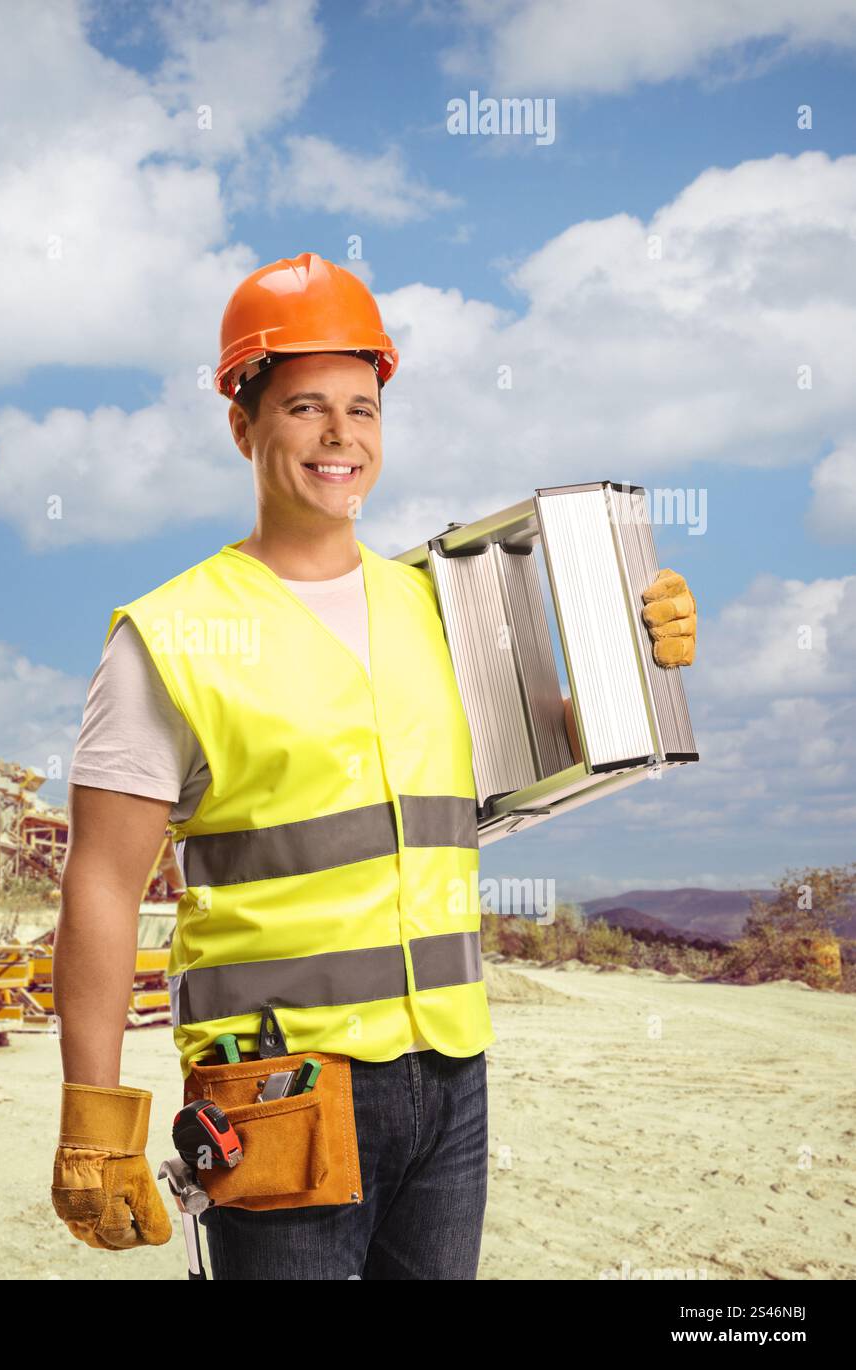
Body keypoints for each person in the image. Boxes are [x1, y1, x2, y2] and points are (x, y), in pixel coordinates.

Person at [49, 252, 698, 1279]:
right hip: (277, 1084)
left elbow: (518, 754)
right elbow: (98, 881)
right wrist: (94, 1116)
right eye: (305, 406)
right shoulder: (170, 634)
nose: (339, 434)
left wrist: (635, 661)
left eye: (362, 406)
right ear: (242, 423)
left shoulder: (428, 604)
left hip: (449, 1068)